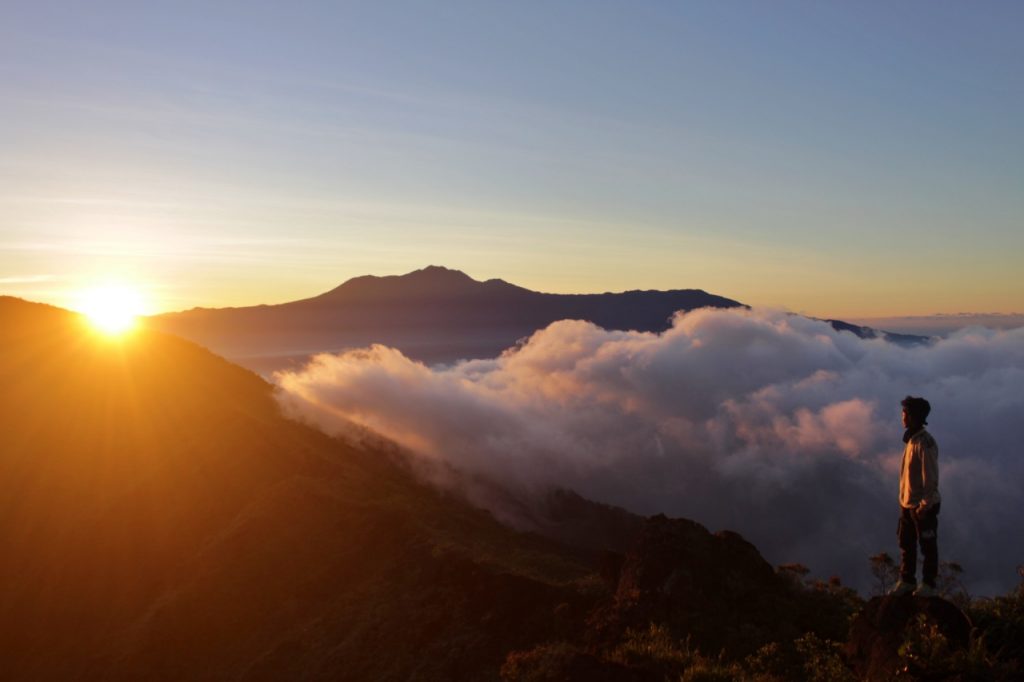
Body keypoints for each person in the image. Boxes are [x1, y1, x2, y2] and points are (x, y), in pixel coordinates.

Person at [889, 396, 941, 597]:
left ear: (913, 416)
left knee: (927, 546)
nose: (902, 416)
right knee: (906, 544)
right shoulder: (912, 440)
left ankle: (928, 584)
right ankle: (907, 580)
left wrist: (924, 505)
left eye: (905, 413)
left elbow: (930, 478)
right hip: (908, 504)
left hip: (922, 506)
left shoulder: (924, 443)